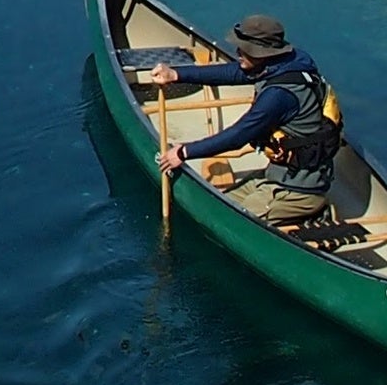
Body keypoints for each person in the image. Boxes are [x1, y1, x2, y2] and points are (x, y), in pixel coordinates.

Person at [139, 13, 344, 230]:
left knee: (222, 223)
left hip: (297, 191)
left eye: (245, 50)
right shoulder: (289, 62)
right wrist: (176, 74)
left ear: (265, 54)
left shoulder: (278, 96)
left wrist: (183, 152)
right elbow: (234, 73)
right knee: (218, 203)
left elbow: (238, 136)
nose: (238, 54)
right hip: (278, 176)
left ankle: (312, 212)